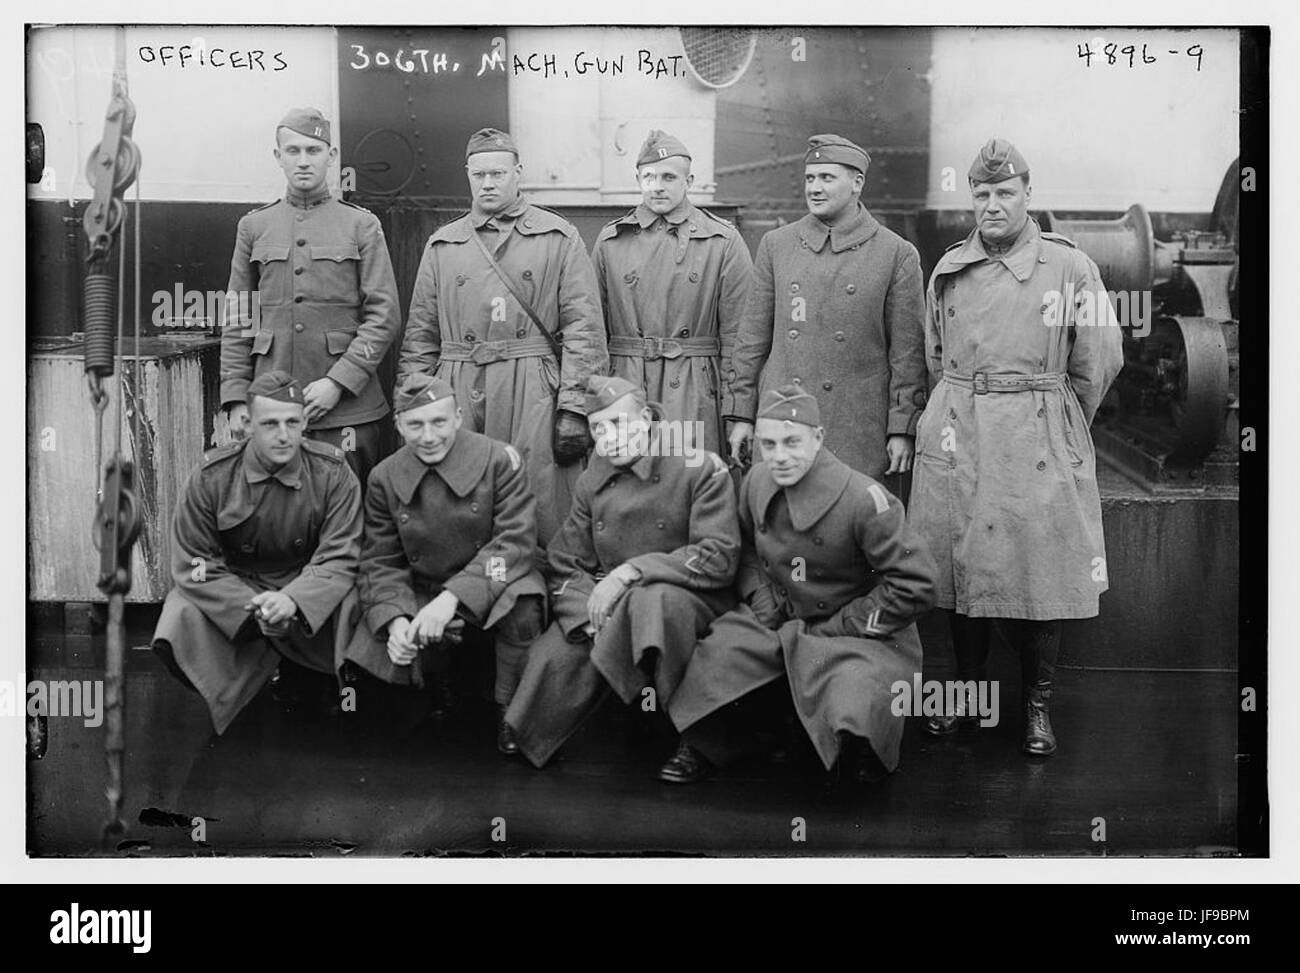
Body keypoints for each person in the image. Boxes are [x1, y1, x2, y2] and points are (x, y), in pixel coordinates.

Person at [912, 138, 1124, 756]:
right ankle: (966, 698)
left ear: (1028, 195)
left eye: (1005, 193)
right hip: (960, 429)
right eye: (982, 194)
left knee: (1043, 572)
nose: (993, 205)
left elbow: (1099, 358)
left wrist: (1057, 421)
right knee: (959, 570)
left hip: (1037, 429)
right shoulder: (949, 266)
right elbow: (934, 356)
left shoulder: (1067, 267)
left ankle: (1036, 708)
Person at [666, 385, 936, 786]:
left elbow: (916, 583)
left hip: (856, 628)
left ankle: (858, 752)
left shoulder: (865, 499)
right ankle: (704, 742)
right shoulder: (757, 481)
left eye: (792, 442)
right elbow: (743, 550)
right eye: (768, 444)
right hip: (780, 614)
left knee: (857, 695)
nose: (779, 456)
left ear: (819, 438)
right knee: (718, 655)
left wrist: (846, 624)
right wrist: (760, 596)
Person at [504, 376, 740, 773]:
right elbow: (565, 560)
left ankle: (695, 740)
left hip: (691, 596)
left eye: (619, 424)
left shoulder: (698, 468)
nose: (609, 438)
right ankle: (530, 728)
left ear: (646, 419)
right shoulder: (591, 482)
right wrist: (588, 614)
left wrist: (632, 571)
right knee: (557, 650)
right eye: (598, 429)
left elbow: (717, 557)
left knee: (654, 603)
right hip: (615, 605)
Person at [397, 127, 608, 546]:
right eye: (479, 175)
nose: (488, 183)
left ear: (518, 173)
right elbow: (420, 336)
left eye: (498, 173)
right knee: (462, 488)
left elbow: (584, 326)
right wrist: (410, 404)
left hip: (532, 384)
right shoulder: (444, 245)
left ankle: (547, 582)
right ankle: (468, 584)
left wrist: (573, 406)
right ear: (468, 176)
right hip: (459, 383)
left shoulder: (557, 236)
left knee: (541, 491)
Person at [344, 375, 547, 754]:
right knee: (379, 653)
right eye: (415, 424)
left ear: (457, 417)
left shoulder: (499, 459)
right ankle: (436, 681)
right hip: (427, 582)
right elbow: (380, 560)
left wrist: (453, 598)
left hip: (494, 576)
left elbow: (513, 544)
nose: (429, 436)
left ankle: (513, 711)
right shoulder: (384, 477)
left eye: (439, 422)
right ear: (399, 425)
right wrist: (395, 618)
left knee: (523, 604)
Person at [152, 370, 362, 734]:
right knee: (180, 614)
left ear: (304, 422)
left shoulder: (333, 472)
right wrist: (252, 608)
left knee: (356, 596)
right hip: (240, 589)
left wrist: (293, 602)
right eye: (270, 424)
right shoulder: (212, 477)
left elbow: (340, 555)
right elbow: (194, 562)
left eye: (292, 422)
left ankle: (320, 674)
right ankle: (230, 684)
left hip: (307, 584)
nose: (283, 435)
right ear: (248, 424)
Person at [725, 133, 926, 483]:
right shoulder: (777, 245)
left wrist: (902, 428)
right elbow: (751, 342)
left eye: (827, 178)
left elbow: (907, 357)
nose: (814, 188)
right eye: (809, 178)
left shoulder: (896, 254)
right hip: (783, 424)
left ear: (857, 183)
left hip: (858, 430)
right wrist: (741, 416)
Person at [220, 108, 402, 483]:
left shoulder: (361, 225)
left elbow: (384, 316)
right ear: (278, 157)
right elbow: (241, 317)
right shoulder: (254, 226)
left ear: (332, 157)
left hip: (349, 408)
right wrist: (237, 396)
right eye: (293, 151)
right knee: (278, 518)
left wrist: (338, 382)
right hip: (272, 403)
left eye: (314, 151)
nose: (303, 161)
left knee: (352, 518)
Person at [591, 129, 754, 456]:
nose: (657, 185)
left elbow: (741, 336)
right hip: (627, 383)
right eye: (648, 176)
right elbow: (592, 329)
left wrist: (738, 409)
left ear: (688, 181)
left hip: (693, 384)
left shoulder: (721, 242)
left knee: (690, 476)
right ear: (637, 179)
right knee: (628, 477)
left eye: (668, 176)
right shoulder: (611, 241)